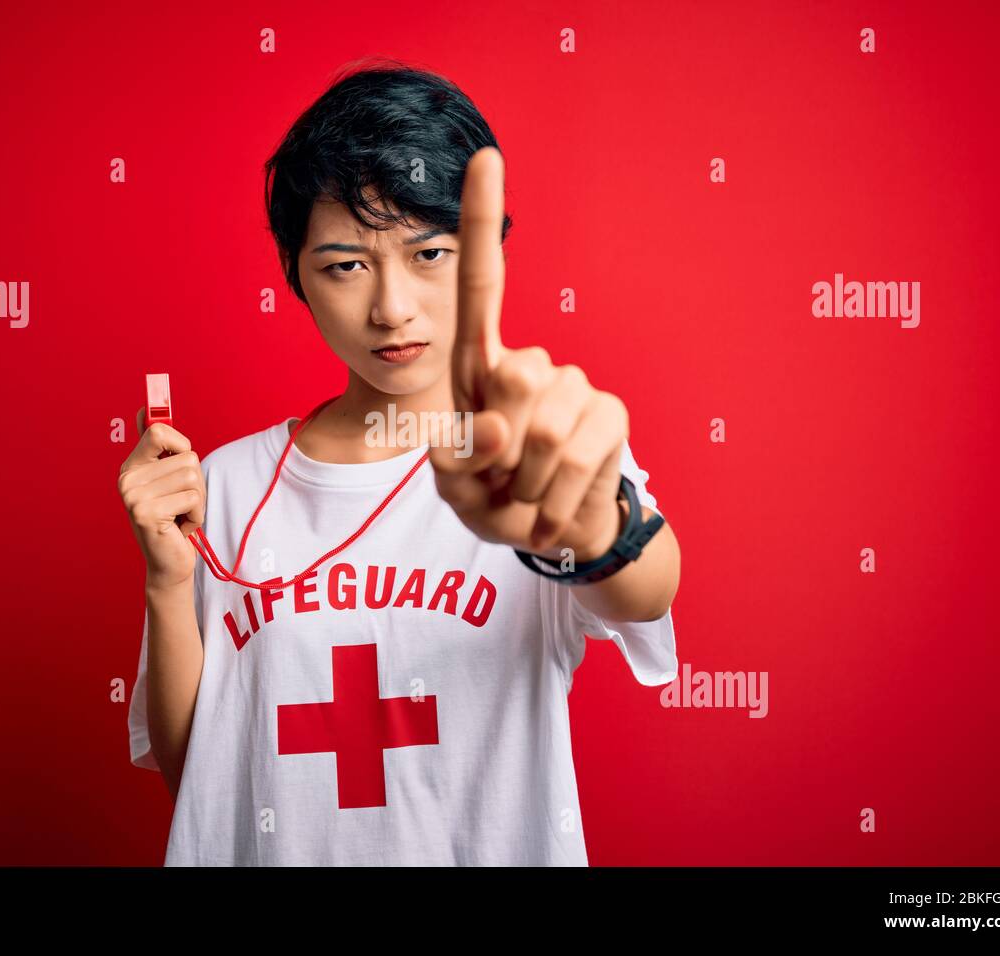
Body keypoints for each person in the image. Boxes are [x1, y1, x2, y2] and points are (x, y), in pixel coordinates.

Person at [117, 61, 681, 865]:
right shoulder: (228, 487)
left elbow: (648, 590)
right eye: (346, 264)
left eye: (429, 254)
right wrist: (169, 583)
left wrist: (596, 525)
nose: (391, 307)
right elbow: (200, 774)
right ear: (297, 278)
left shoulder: (531, 448)